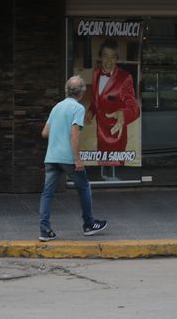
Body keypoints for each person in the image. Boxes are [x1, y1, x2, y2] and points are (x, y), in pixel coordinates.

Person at [39, 75, 108, 242]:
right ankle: (89, 224)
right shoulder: (78, 108)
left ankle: (45, 230)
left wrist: (58, 133)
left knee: (47, 193)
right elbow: (74, 134)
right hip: (68, 158)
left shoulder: (56, 107)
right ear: (82, 92)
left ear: (66, 90)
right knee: (84, 187)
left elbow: (44, 133)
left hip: (51, 157)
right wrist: (77, 159)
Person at [87, 38, 140, 155]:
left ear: (117, 59)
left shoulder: (125, 78)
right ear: (101, 57)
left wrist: (124, 114)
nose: (109, 61)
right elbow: (96, 99)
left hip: (116, 136)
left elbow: (135, 109)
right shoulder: (96, 73)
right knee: (102, 167)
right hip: (100, 135)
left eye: (113, 57)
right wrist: (91, 111)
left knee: (118, 171)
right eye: (105, 56)